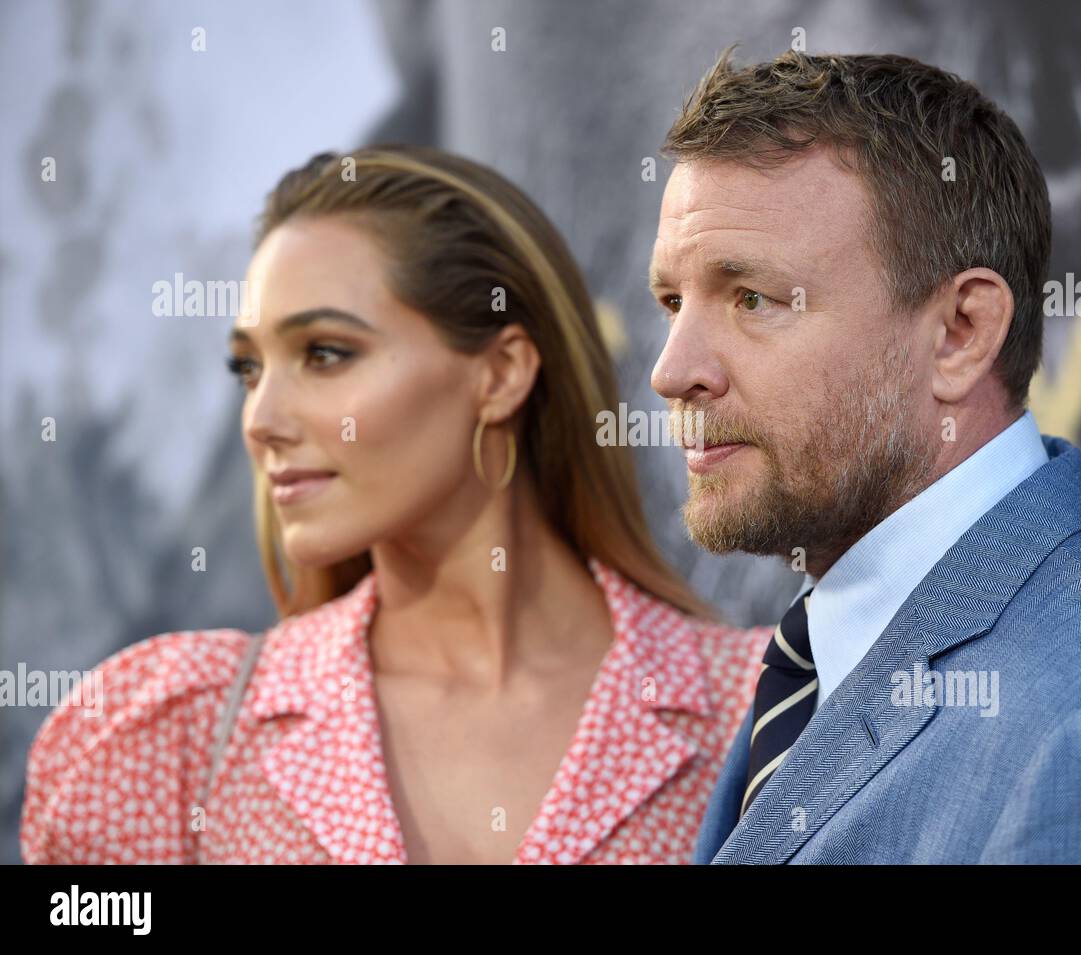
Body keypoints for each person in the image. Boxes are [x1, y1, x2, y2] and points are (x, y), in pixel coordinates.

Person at [21, 145, 770, 865]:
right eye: (249, 368)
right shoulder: (171, 737)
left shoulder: (769, 709)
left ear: (502, 373)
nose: (260, 419)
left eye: (323, 353)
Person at [645, 48, 1081, 863]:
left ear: (960, 334)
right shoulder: (822, 654)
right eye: (673, 301)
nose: (672, 370)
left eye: (753, 299)